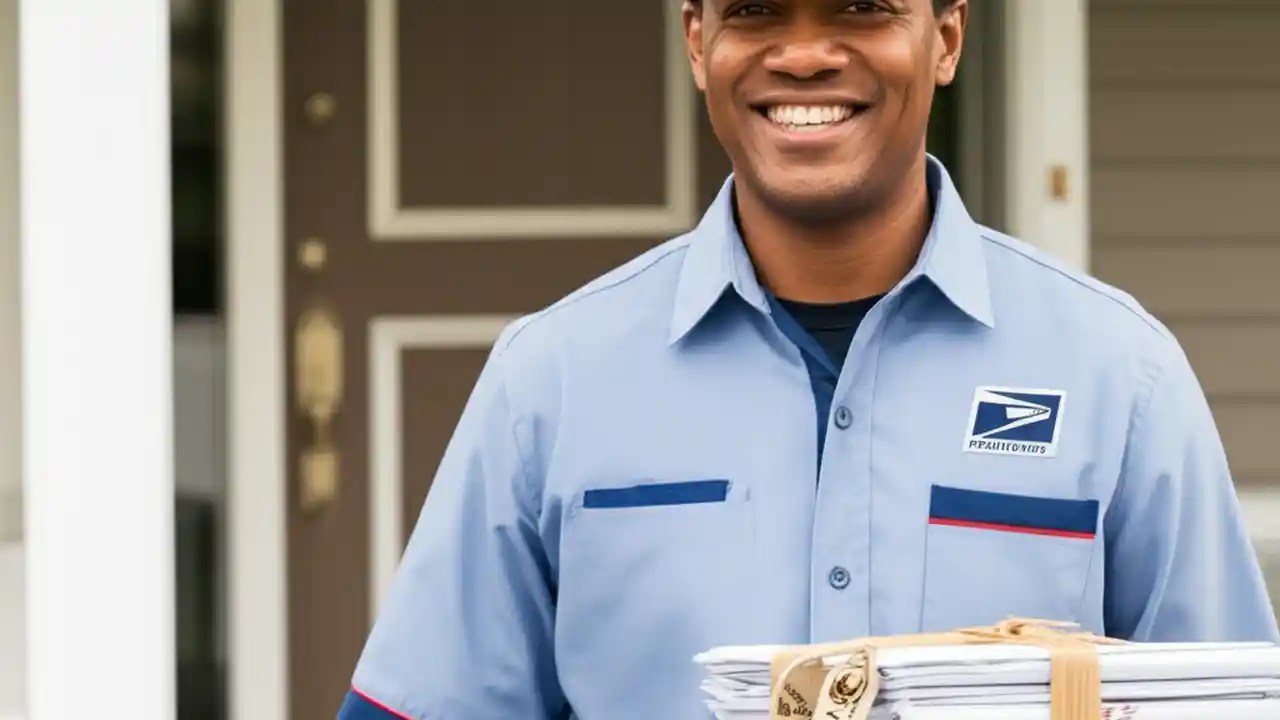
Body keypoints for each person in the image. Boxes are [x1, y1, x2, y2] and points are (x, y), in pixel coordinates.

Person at [338, 0, 1279, 717]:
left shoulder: (1120, 373)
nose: (803, 53)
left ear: (946, 38)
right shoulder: (549, 379)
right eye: (753, 10)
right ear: (696, 39)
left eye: (862, 5)